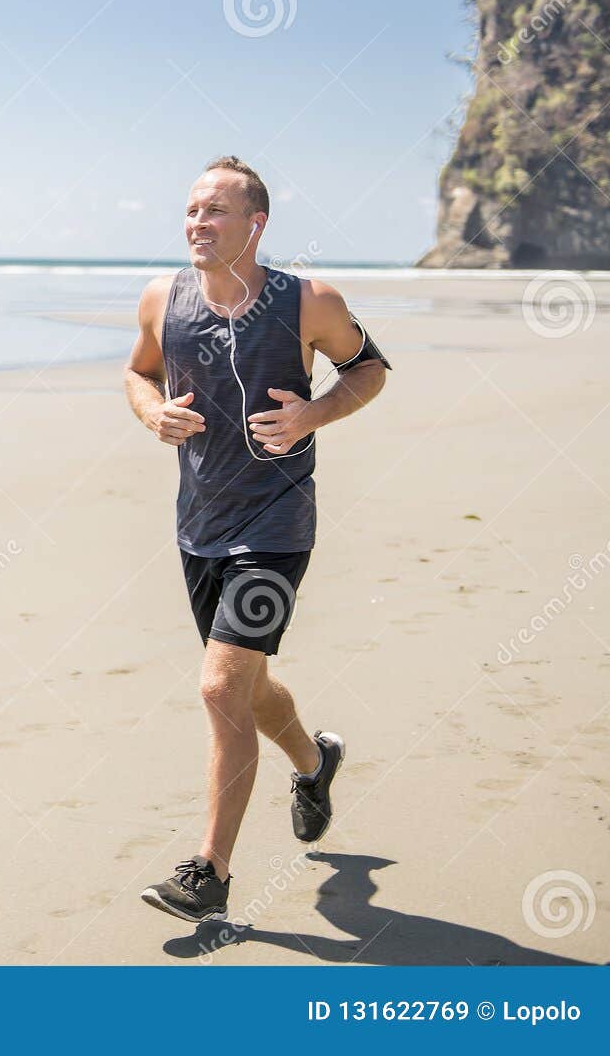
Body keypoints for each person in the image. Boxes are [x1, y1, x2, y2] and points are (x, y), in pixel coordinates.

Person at [122, 156, 391, 923]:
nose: (196, 223)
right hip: (199, 524)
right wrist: (151, 413)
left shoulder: (309, 301)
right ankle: (314, 762)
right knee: (249, 684)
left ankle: (208, 871)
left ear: (255, 224)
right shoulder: (160, 299)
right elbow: (137, 374)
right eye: (191, 209)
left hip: (275, 523)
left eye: (215, 211)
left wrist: (314, 413)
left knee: (218, 687)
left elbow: (368, 369)